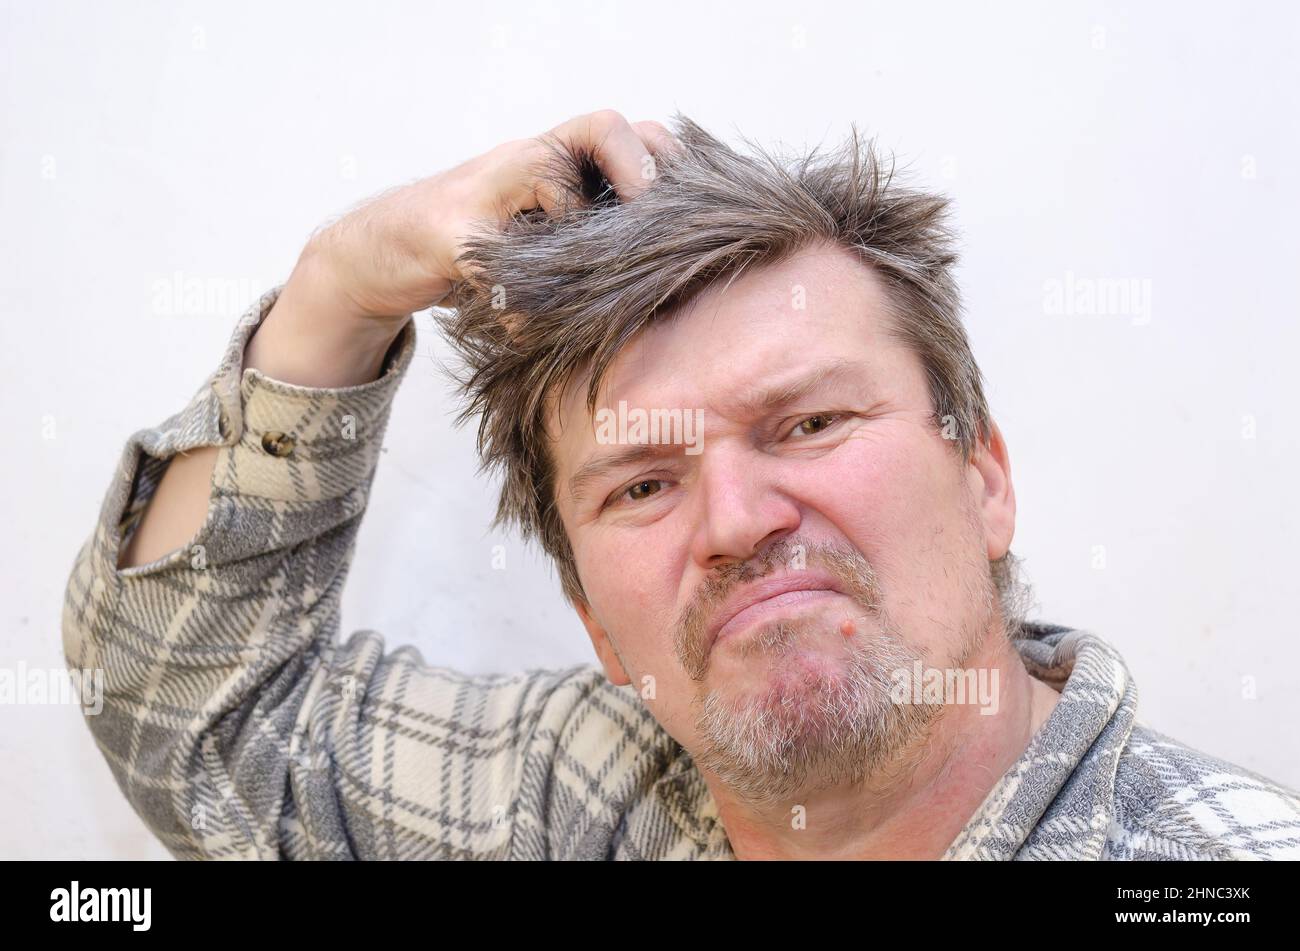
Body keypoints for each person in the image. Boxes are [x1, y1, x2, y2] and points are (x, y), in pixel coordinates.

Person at [62, 110, 1300, 860]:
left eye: (808, 422)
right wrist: (340, 287)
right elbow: (202, 722)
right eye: (641, 488)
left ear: (982, 475)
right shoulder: (572, 798)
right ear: (596, 622)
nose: (738, 521)